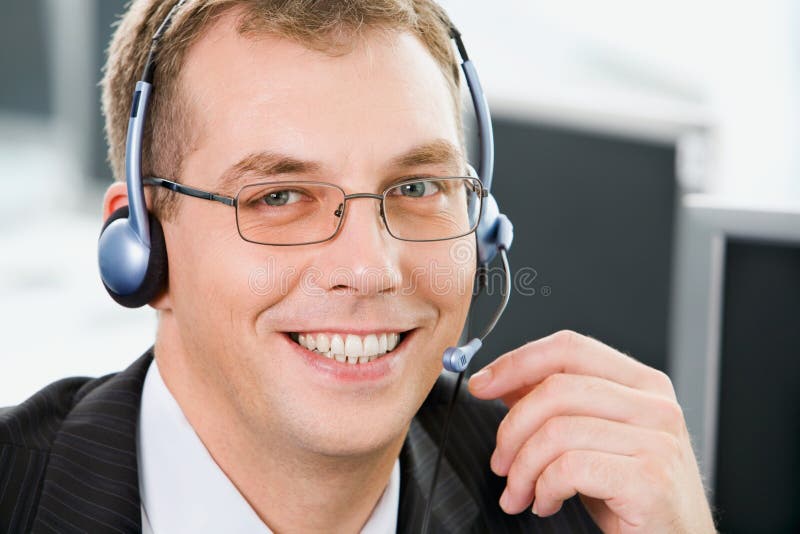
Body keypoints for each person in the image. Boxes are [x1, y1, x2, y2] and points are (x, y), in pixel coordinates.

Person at [0, 1, 717, 532]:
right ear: (142, 243)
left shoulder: (576, 509)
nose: (371, 268)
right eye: (279, 196)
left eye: (416, 188)